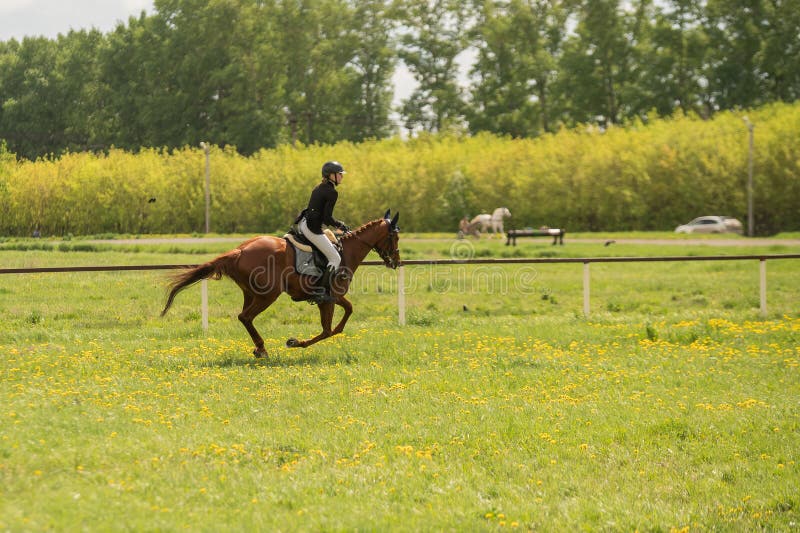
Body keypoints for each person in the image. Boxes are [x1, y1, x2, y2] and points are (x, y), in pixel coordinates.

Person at [297, 160, 350, 302]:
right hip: (312, 228)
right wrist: (340, 224)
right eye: (339, 174)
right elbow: (327, 218)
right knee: (335, 258)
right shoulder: (332, 192)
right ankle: (320, 291)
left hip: (304, 223)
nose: (341, 177)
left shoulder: (319, 187)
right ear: (331, 175)